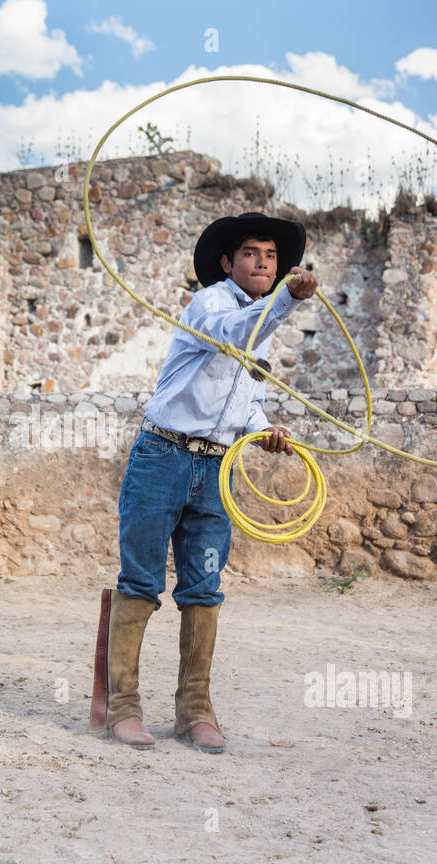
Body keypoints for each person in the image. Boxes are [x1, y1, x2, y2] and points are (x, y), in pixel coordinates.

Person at [90, 212, 317, 754]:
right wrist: (287, 299)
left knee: (204, 587)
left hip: (215, 466)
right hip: (163, 456)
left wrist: (266, 432)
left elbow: (251, 399)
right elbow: (239, 333)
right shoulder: (212, 305)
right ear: (226, 263)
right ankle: (122, 706)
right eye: (250, 254)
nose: (262, 263)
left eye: (270, 256)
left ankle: (195, 709)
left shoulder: (260, 325)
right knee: (141, 580)